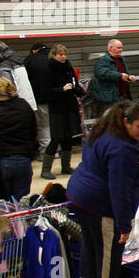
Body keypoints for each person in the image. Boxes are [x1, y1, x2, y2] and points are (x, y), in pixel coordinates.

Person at [66, 101, 139, 278]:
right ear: (126, 122)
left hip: (80, 197)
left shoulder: (101, 130)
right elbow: (118, 190)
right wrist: (124, 225)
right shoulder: (122, 150)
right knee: (107, 259)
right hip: (99, 205)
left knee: (90, 250)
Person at [0, 77, 38, 200]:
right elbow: (33, 131)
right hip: (24, 159)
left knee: (3, 204)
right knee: (22, 203)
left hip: (2, 159)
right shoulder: (23, 105)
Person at [41, 44, 82, 180]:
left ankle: (66, 166)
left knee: (68, 137)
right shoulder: (48, 69)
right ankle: (45, 169)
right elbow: (46, 91)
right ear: (54, 55)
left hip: (70, 106)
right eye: (60, 54)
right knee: (56, 137)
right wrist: (61, 89)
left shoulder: (68, 67)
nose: (63, 57)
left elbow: (75, 83)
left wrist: (77, 89)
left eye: (65, 54)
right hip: (56, 108)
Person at [87, 38, 135, 121]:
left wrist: (129, 77)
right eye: (118, 48)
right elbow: (103, 73)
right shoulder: (103, 60)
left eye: (121, 48)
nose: (121, 50)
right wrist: (119, 75)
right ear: (110, 48)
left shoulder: (121, 60)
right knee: (110, 121)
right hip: (109, 99)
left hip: (121, 97)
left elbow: (123, 74)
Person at [0, 41, 37, 114]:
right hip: (28, 101)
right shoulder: (17, 59)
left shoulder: (3, 65)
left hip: (16, 106)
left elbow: (7, 86)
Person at [22, 43, 52, 153]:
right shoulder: (56, 56)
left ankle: (47, 151)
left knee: (43, 126)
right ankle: (57, 149)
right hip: (58, 98)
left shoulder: (30, 60)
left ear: (34, 51)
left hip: (39, 98)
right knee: (56, 125)